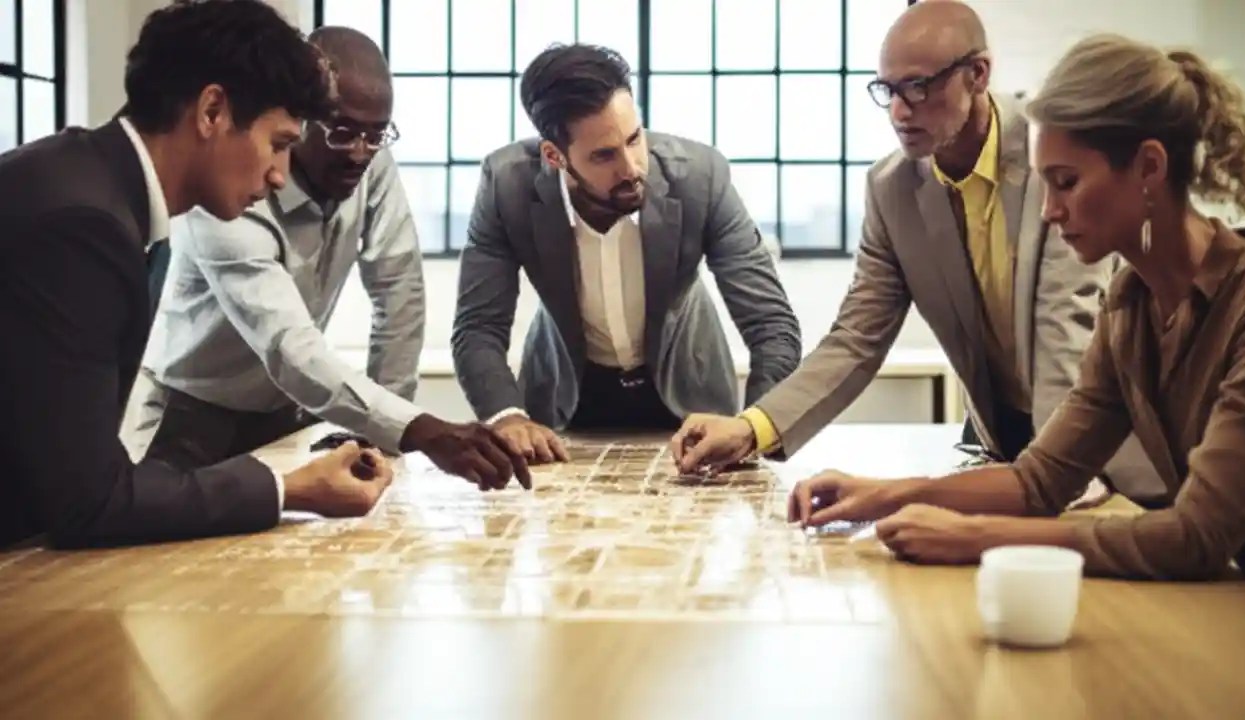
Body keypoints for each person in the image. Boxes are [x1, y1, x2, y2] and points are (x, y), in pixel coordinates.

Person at [788, 34, 1245, 592]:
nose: (1049, 211)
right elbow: (1039, 480)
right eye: (1046, 184)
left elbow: (1198, 536)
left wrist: (976, 538)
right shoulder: (1128, 307)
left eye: (1067, 182)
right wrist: (886, 494)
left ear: (1148, 167)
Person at [671, 0, 1156, 503]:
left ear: (977, 74)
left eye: (919, 87)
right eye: (888, 91)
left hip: (1105, 461)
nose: (900, 112)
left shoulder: (1052, 160)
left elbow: (1065, 334)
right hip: (1009, 450)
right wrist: (751, 429)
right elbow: (857, 337)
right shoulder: (892, 187)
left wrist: (1049, 478)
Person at [0, 0, 393, 549]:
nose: (281, 176)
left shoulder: (91, 181)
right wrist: (288, 489)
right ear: (212, 111)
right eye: (278, 143)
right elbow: (85, 503)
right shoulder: (83, 225)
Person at [130, 26, 529, 493]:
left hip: (282, 413)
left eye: (376, 134)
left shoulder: (370, 160)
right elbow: (287, 346)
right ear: (302, 120)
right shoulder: (228, 188)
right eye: (341, 132)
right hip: (187, 419)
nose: (360, 151)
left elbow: (399, 291)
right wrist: (420, 428)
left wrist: (383, 439)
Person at [452, 43, 801, 464]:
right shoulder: (505, 184)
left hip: (692, 399)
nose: (632, 167)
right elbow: (477, 326)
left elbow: (771, 323)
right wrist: (507, 416)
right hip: (564, 403)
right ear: (554, 156)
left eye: (634, 139)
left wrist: (753, 428)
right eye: (603, 155)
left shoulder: (701, 176)